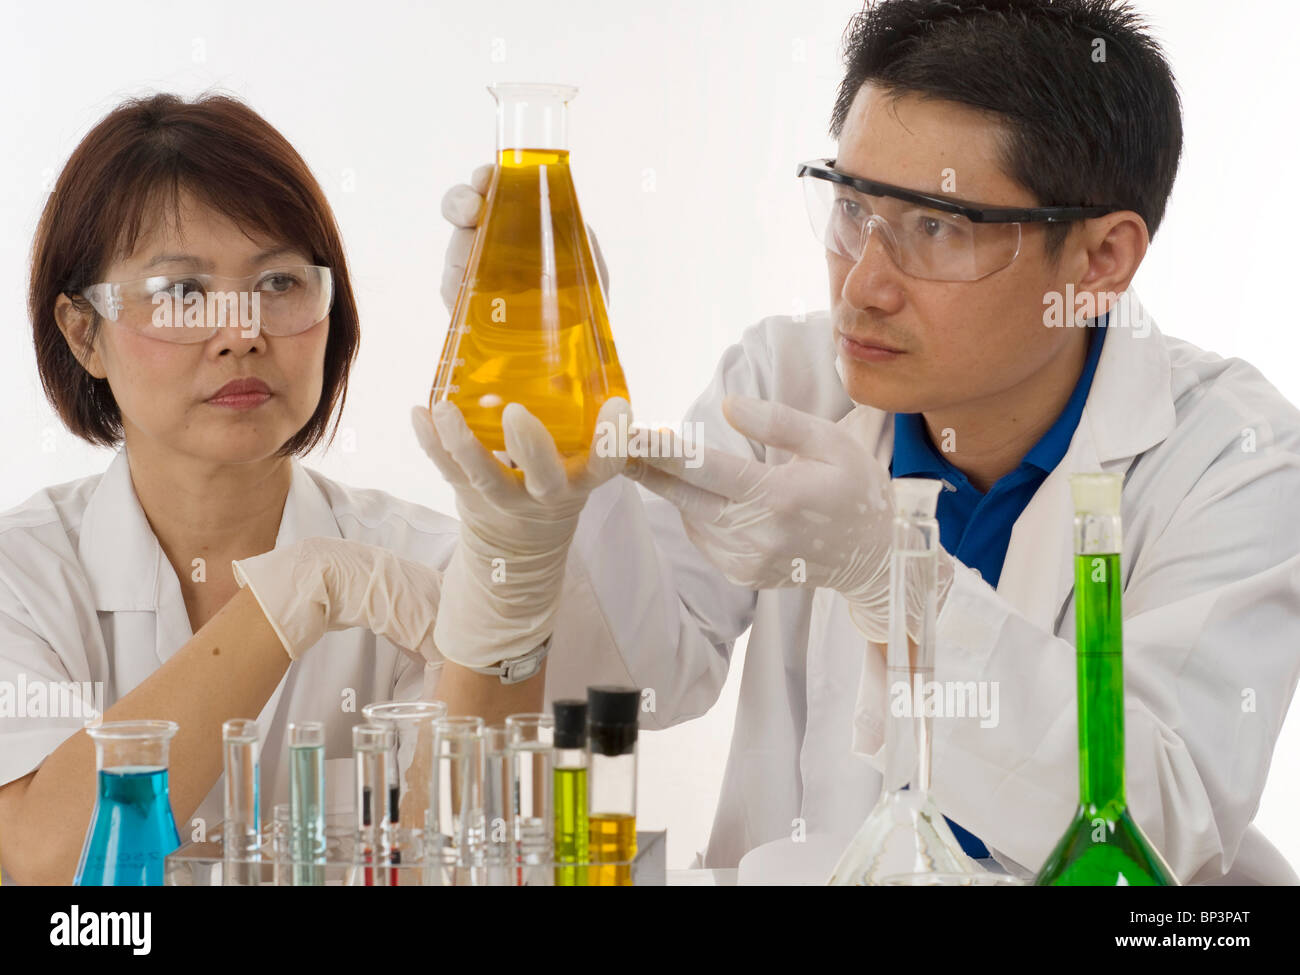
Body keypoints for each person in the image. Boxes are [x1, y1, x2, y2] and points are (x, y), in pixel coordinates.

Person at [424, 0, 1300, 883]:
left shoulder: (1232, 454)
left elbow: (1160, 822)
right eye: (851, 207)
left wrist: (892, 582)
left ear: (1100, 259)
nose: (864, 286)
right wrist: (539, 527)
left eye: (938, 227)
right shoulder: (781, 381)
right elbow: (628, 682)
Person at [0, 92, 551, 885]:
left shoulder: (427, 566)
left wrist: (509, 604)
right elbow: (57, 863)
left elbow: (458, 862)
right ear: (84, 332)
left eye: (280, 282)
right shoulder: (21, 576)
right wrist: (293, 597)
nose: (243, 331)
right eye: (183, 293)